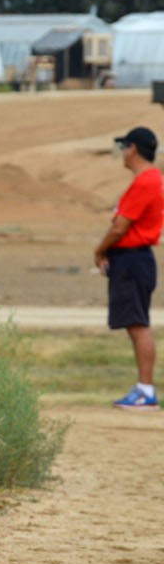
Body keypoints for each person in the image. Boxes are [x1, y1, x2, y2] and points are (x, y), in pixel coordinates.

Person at [95, 126, 162, 409]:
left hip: (133, 257)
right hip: (136, 258)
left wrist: (99, 249)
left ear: (132, 148)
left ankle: (146, 390)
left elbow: (121, 225)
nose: (122, 153)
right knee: (136, 322)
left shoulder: (146, 181)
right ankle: (143, 388)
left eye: (124, 147)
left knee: (137, 323)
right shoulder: (150, 179)